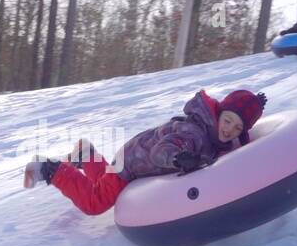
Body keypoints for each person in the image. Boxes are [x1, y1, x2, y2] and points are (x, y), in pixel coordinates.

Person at [23, 89, 267, 216]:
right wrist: (178, 158)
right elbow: (162, 150)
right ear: (219, 114)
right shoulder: (194, 133)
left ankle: (86, 154)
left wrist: (253, 106)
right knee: (95, 202)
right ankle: (47, 168)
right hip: (134, 163)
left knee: (101, 181)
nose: (229, 130)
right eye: (228, 121)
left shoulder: (213, 135)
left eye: (237, 128)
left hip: (131, 155)